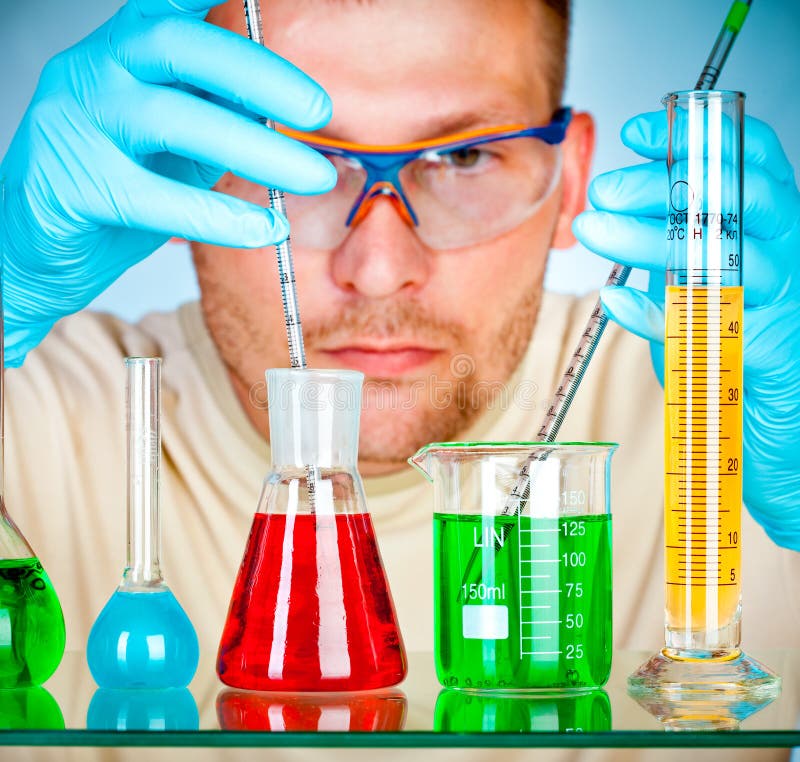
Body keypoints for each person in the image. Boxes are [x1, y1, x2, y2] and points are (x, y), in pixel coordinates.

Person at [1, 1, 799, 759]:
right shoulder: (32, 402)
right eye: (300, 162)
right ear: (175, 166)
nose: (380, 270)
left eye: (462, 156)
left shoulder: (737, 402)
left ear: (570, 174)